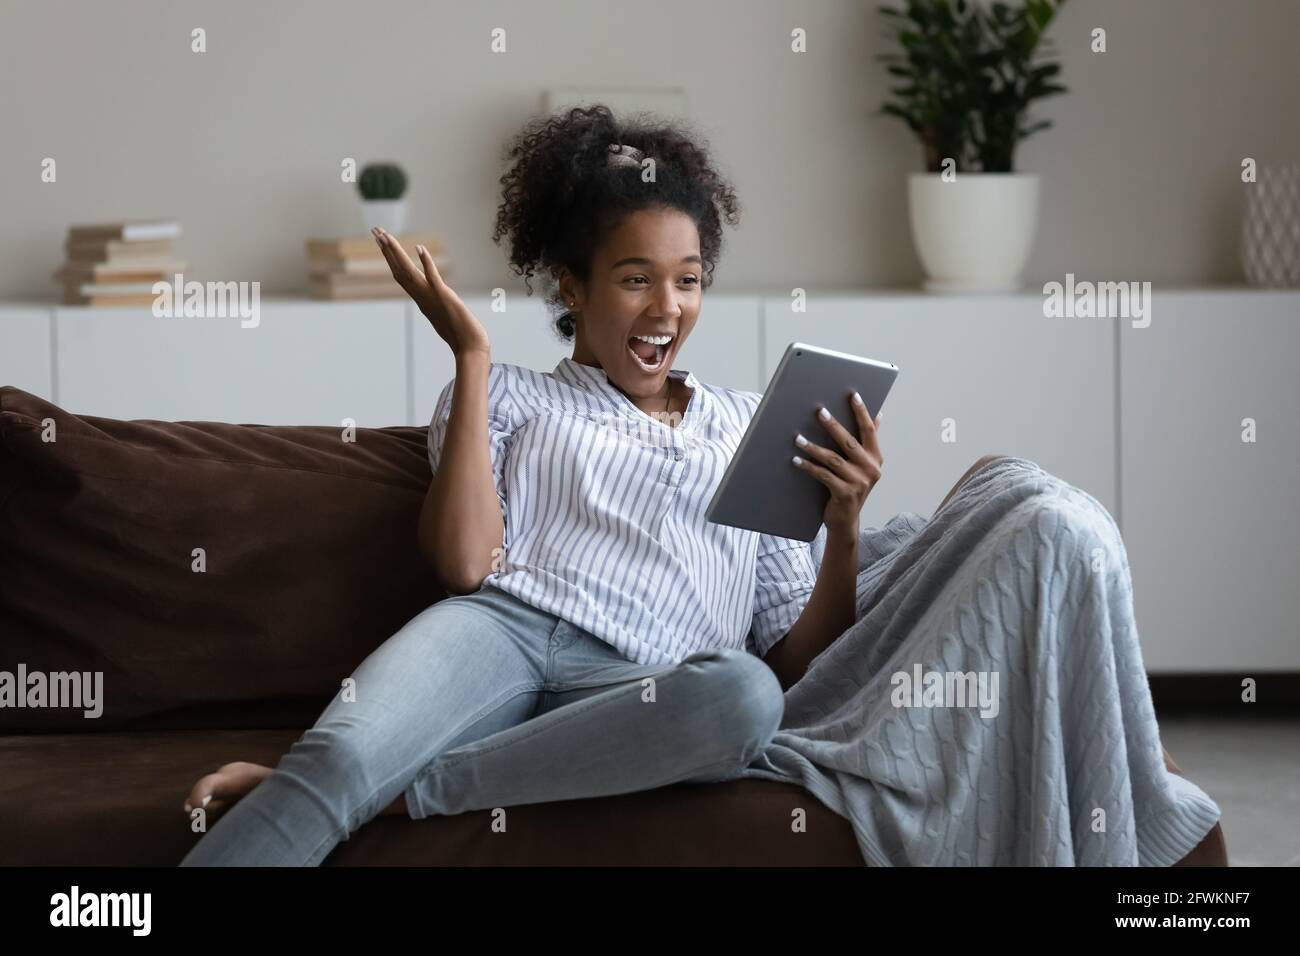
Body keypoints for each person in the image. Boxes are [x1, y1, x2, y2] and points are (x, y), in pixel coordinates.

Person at [178, 106, 994, 867]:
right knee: (343, 753)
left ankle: (393, 794)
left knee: (744, 698)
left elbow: (792, 666)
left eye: (689, 279)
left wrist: (844, 526)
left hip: (643, 684)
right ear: (573, 288)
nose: (667, 308)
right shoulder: (510, 397)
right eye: (637, 278)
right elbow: (464, 565)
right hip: (499, 634)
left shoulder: (753, 427)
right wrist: (470, 359)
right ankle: (347, 783)